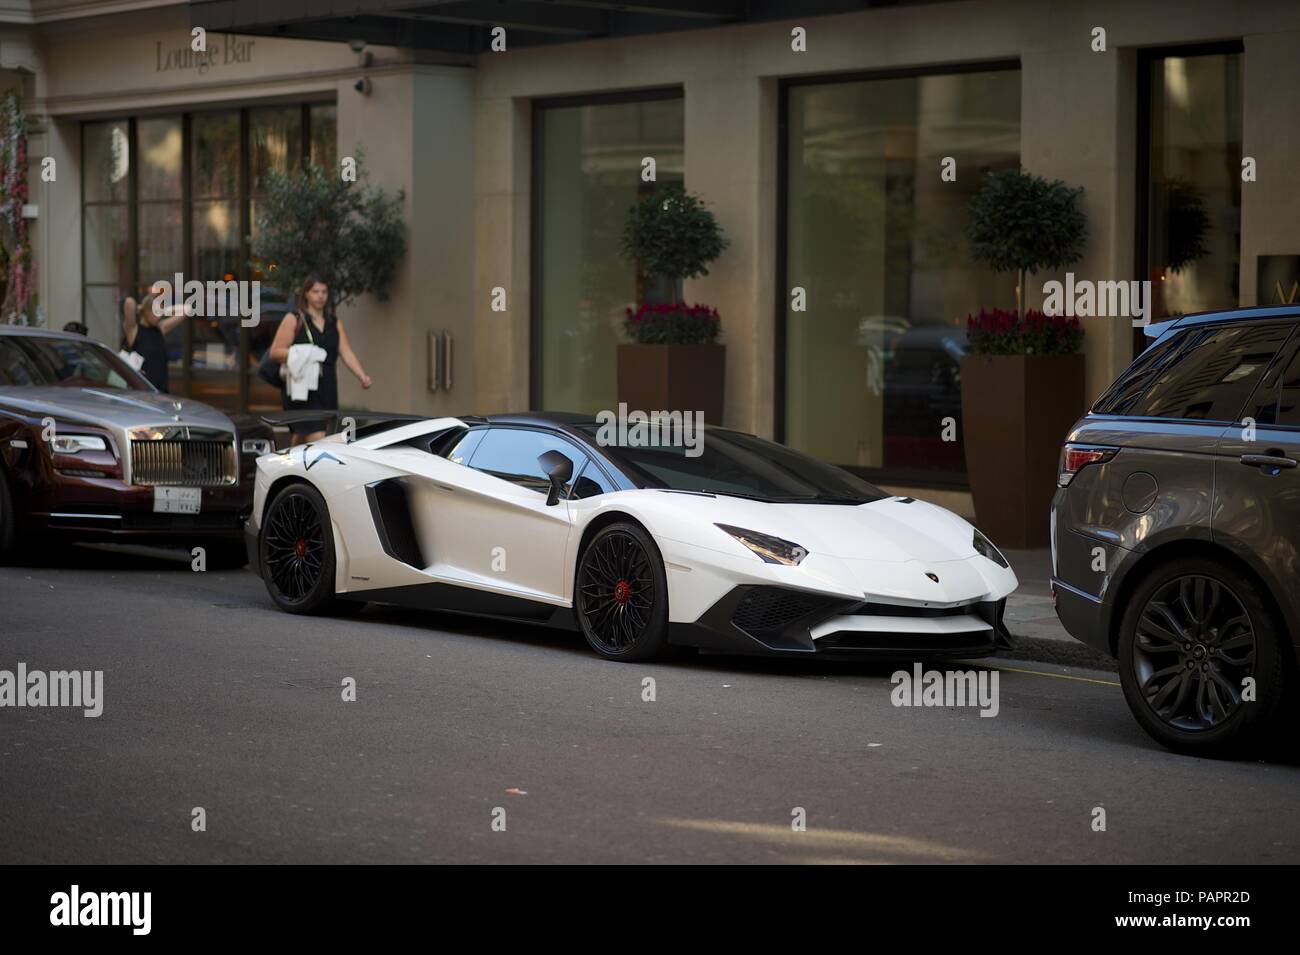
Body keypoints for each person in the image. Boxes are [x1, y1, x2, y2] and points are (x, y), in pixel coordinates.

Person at [269, 276, 372, 445]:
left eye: (324, 292)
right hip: (302, 388)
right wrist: (306, 353)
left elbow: (346, 352)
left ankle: (290, 466)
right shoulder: (294, 318)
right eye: (315, 291)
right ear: (306, 294)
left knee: (303, 438)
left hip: (327, 386)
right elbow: (275, 352)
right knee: (319, 436)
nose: (320, 296)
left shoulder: (334, 322)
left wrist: (362, 375)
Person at [122, 284, 185, 392]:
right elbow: (129, 302)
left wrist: (164, 310)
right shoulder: (134, 330)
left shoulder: (160, 328)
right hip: (141, 392)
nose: (159, 316)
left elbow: (185, 310)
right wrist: (142, 307)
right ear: (146, 312)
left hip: (161, 390)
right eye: (156, 312)